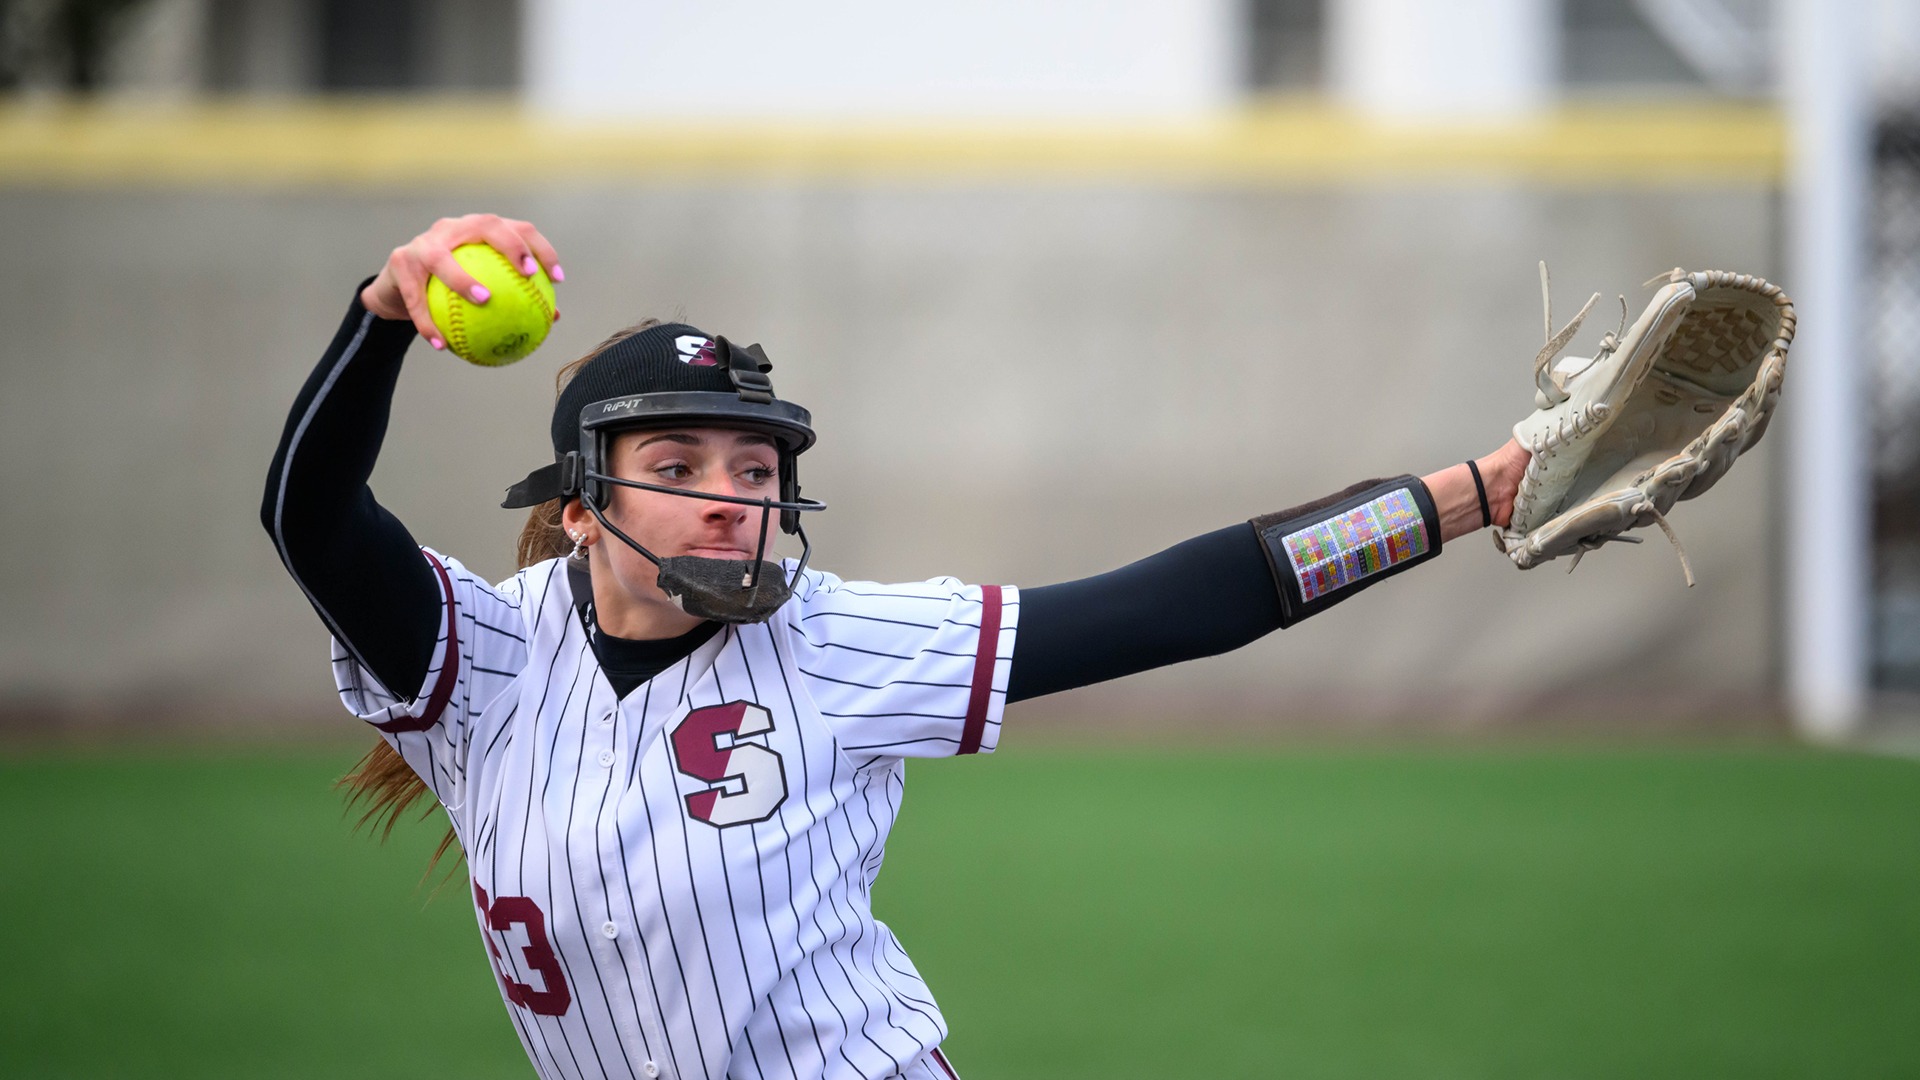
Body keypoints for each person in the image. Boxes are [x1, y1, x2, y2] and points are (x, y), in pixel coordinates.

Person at [262, 213, 1528, 1080]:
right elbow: (307, 515)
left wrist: (1475, 491)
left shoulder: (838, 646)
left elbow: (1179, 604)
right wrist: (381, 312)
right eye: (677, 463)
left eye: (755, 466)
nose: (731, 494)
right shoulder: (482, 662)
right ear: (581, 502)